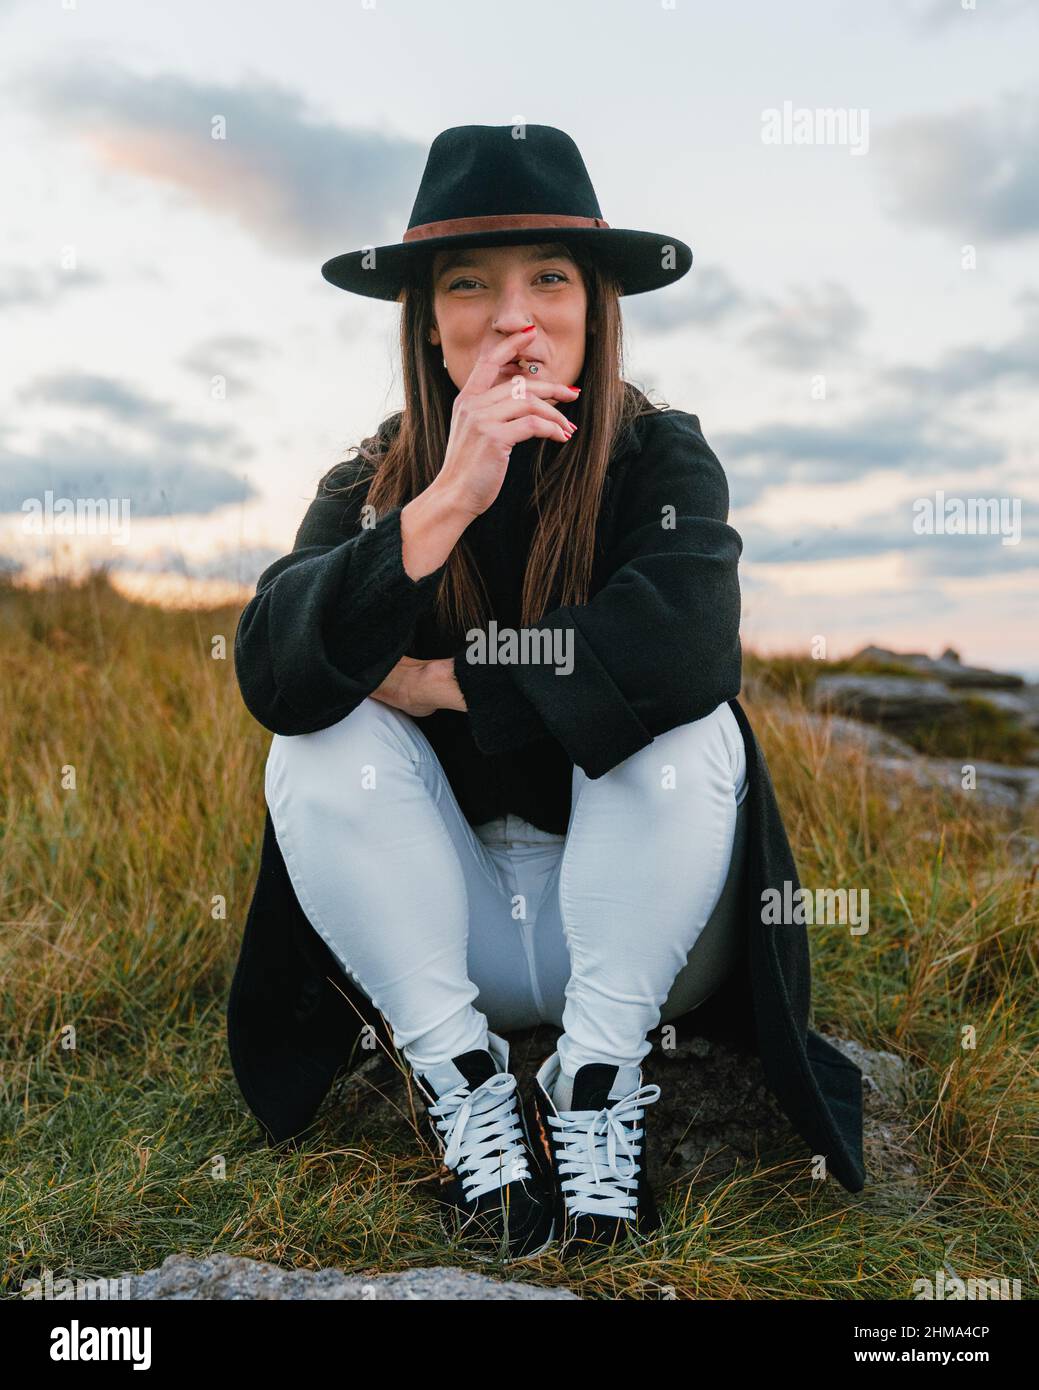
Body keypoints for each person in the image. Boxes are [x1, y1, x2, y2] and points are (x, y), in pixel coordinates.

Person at [231, 124, 864, 1264]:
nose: (512, 315)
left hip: (634, 926)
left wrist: (435, 680)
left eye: (549, 277)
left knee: (688, 731)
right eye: (469, 283)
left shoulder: (659, 458)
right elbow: (278, 672)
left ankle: (593, 1079)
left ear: (596, 303)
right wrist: (446, 500)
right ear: (428, 319)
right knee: (319, 739)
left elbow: (679, 652)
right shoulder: (367, 484)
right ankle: (464, 1082)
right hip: (436, 929)